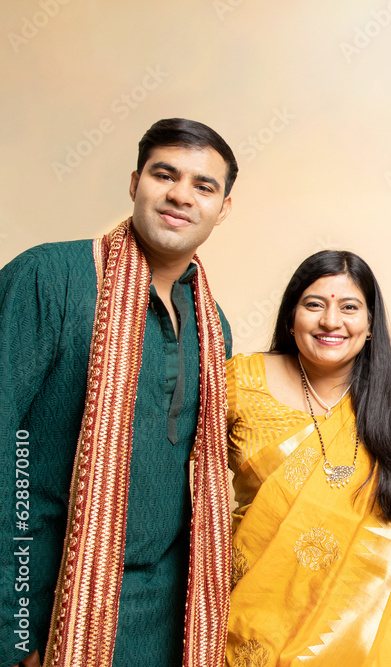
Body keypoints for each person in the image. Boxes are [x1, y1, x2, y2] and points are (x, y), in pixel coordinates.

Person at [0, 118, 237, 666]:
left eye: (204, 186)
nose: (181, 195)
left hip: (171, 627)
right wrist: (13, 631)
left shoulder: (212, 324)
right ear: (135, 183)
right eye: (165, 174)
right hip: (51, 617)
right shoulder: (50, 278)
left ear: (223, 208)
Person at [226, 250, 391, 666]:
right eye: (314, 304)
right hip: (260, 620)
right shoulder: (240, 381)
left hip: (377, 632)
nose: (331, 321)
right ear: (291, 317)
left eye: (350, 307)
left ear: (371, 325)